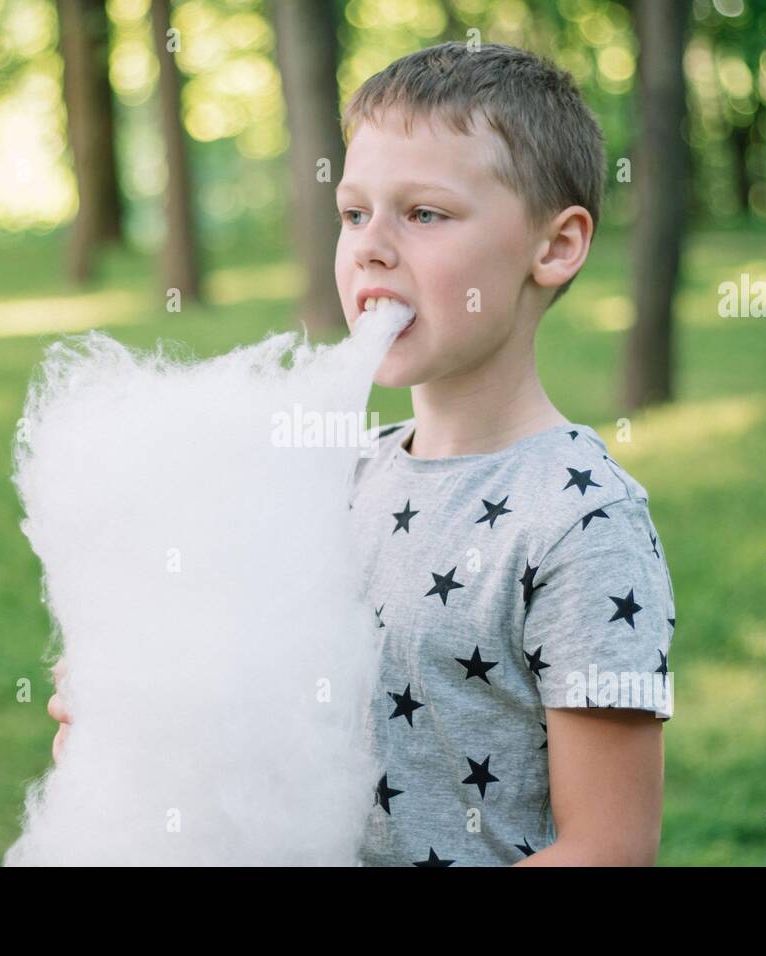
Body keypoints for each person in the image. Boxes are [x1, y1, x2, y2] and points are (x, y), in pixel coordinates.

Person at [51, 40, 676, 866]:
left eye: (424, 214)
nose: (371, 246)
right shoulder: (329, 476)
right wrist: (134, 720)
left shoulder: (581, 521)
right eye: (354, 214)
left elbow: (610, 849)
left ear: (554, 247)